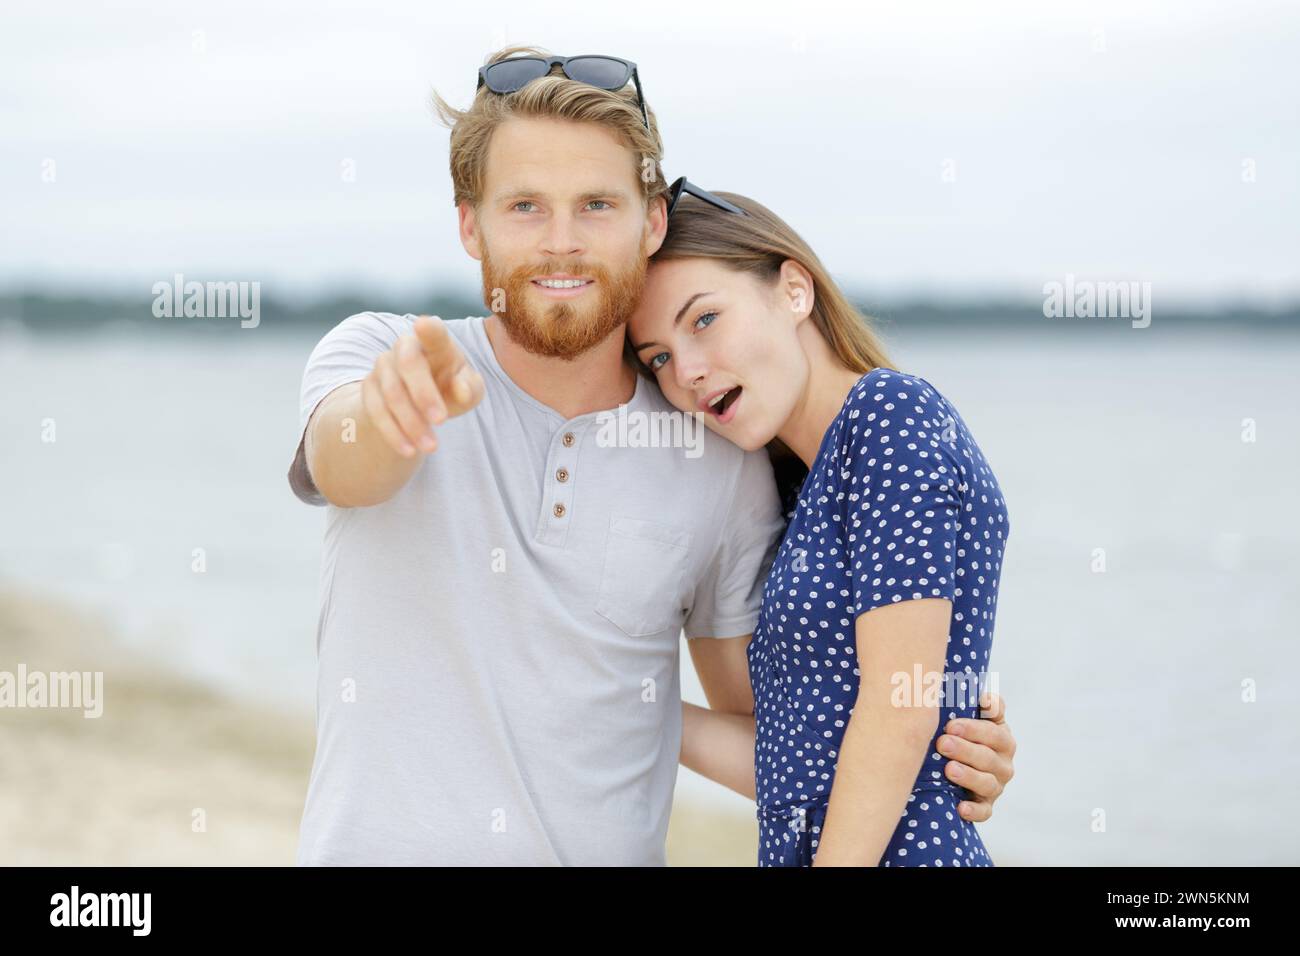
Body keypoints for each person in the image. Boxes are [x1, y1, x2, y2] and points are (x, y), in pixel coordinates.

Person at [287, 45, 1017, 865]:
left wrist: (942, 745)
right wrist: (393, 419)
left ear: (652, 221)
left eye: (597, 204)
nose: (561, 242)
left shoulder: (723, 459)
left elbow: (782, 733)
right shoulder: (381, 356)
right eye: (525, 205)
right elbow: (346, 462)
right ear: (470, 224)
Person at [628, 184, 1012, 866]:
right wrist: (616, 702)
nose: (685, 371)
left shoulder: (891, 417)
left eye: (705, 319)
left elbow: (899, 713)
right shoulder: (804, 490)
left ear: (794, 290)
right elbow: (791, 765)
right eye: (657, 356)